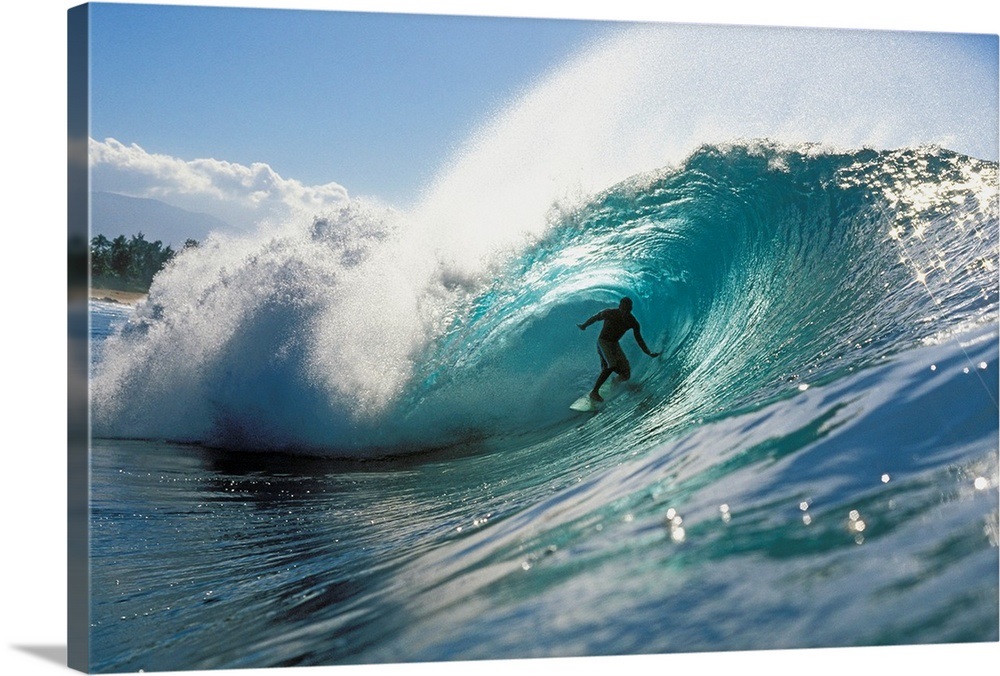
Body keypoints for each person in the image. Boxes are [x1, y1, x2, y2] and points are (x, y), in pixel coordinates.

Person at [578, 296, 660, 402]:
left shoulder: (632, 322)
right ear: (619, 306)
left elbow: (639, 339)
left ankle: (614, 383)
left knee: (626, 374)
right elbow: (595, 317)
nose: (625, 311)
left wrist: (648, 352)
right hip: (603, 342)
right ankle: (594, 392)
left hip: (614, 344)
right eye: (623, 308)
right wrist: (584, 325)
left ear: (631, 309)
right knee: (611, 365)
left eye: (628, 309)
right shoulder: (609, 313)